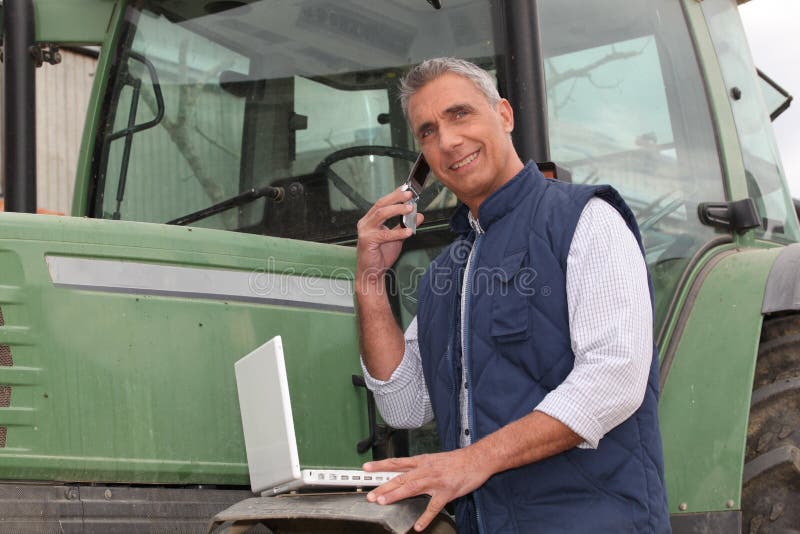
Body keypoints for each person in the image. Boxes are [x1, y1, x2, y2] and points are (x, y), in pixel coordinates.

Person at [355, 57, 670, 533]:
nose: (447, 141)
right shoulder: (447, 271)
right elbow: (406, 406)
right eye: (427, 131)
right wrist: (371, 283)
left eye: (459, 114)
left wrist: (473, 460)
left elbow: (615, 376)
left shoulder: (585, 219)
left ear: (503, 115)